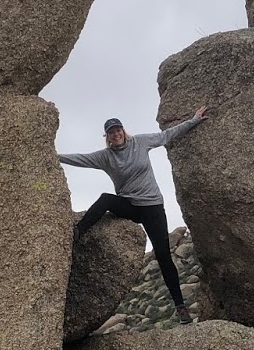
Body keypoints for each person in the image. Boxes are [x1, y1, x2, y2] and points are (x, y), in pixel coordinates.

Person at [58, 107, 209, 324]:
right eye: (111, 132)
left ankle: (181, 308)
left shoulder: (140, 142)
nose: (116, 134)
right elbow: (80, 159)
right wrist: (54, 156)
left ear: (123, 131)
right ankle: (78, 232)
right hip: (130, 206)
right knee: (105, 199)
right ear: (107, 137)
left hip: (153, 208)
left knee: (164, 257)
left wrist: (193, 120)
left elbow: (167, 135)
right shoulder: (105, 157)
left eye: (118, 130)